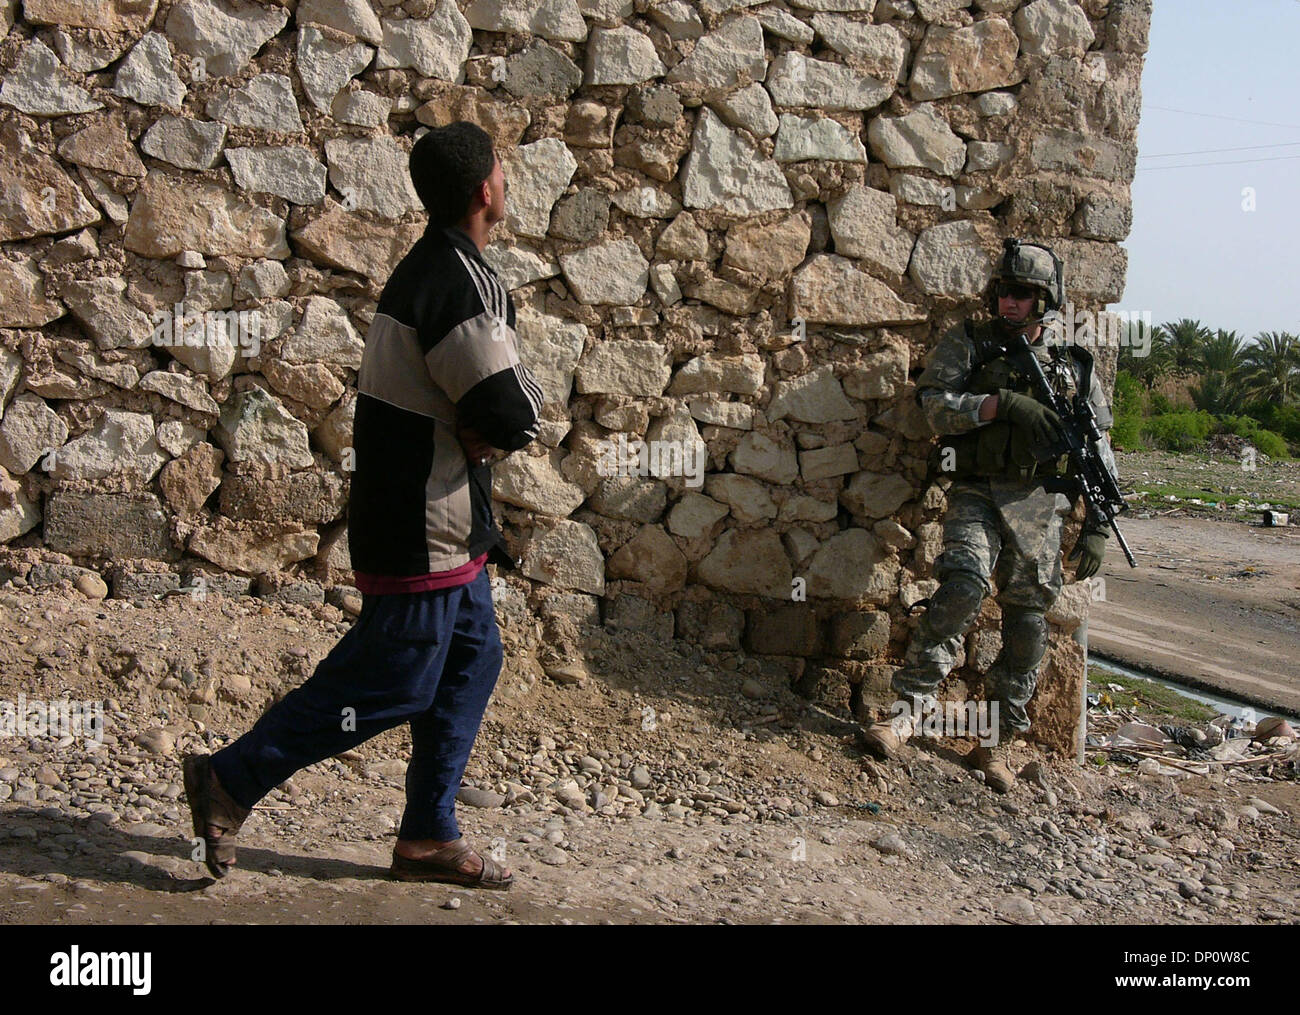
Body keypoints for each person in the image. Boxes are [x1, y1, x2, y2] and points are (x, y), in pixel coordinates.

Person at [182, 121, 542, 887]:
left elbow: (479, 403)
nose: (507, 180)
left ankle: (426, 836)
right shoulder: (459, 281)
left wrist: (478, 421)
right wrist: (501, 418)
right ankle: (231, 778)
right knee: (397, 680)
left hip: (438, 516)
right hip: (424, 523)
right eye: (503, 170)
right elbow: (515, 411)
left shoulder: (429, 269)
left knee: (473, 658)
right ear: (486, 190)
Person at [857, 239, 1118, 792]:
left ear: (1045, 300)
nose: (1010, 303)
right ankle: (905, 714)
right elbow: (932, 408)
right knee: (962, 588)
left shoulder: (1072, 368)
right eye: (1004, 291)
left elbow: (1098, 448)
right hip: (976, 490)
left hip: (1037, 503)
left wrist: (1097, 522)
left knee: (1027, 626)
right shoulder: (970, 345)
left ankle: (995, 744)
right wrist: (998, 405)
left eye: (1023, 294)